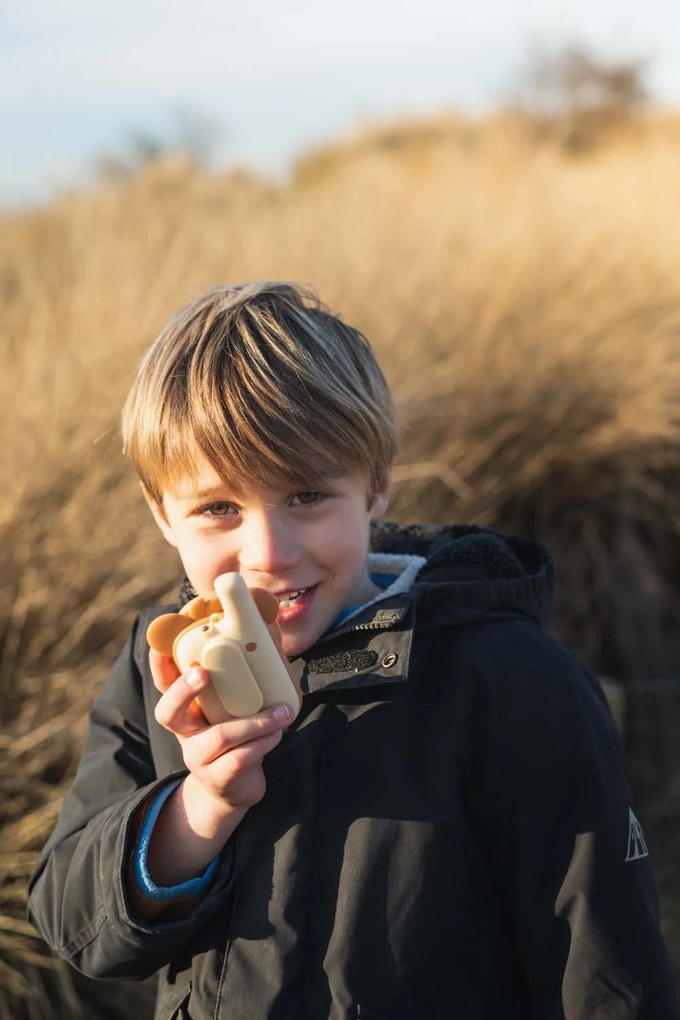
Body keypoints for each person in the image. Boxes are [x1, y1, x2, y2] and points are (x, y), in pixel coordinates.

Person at [28, 281, 678, 1018]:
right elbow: (75, 925)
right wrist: (197, 811)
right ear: (162, 515)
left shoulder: (513, 679)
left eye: (306, 496)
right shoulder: (157, 675)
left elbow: (606, 975)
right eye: (218, 508)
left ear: (377, 485)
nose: (268, 553)